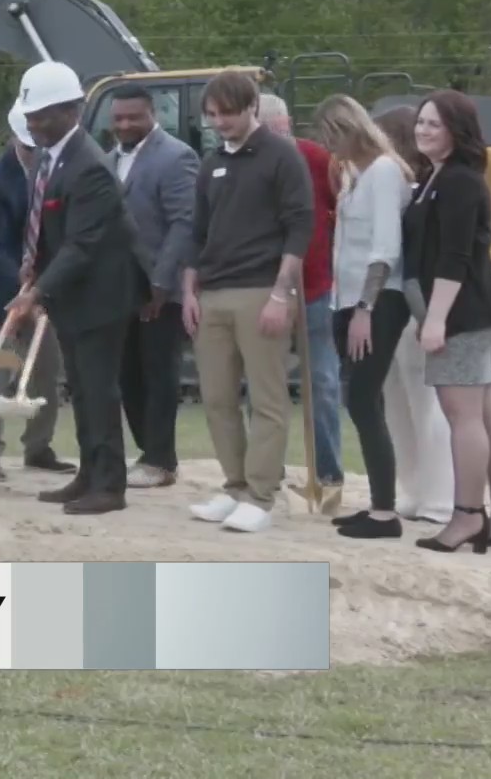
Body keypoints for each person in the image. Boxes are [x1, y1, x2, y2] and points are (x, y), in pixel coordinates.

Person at [6, 63, 148, 514]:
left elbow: (83, 244)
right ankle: (88, 473)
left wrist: (35, 292)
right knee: (82, 390)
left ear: (71, 111)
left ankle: (110, 485)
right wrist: (33, 271)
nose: (32, 123)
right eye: (28, 115)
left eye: (41, 114)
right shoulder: (50, 159)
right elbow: (51, 232)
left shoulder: (90, 167)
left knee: (100, 389)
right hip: (71, 297)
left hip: (101, 297)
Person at [183, 70, 315, 534]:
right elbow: (196, 232)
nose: (219, 122)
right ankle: (235, 486)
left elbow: (300, 226)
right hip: (212, 292)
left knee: (267, 399)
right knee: (217, 397)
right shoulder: (211, 162)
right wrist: (189, 291)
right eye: (213, 114)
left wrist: (282, 293)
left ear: (251, 106)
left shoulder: (283, 156)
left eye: (227, 113)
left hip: (263, 289)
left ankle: (261, 496)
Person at [316, 95, 414, 539]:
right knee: (363, 401)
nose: (327, 145)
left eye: (330, 134)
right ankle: (379, 504)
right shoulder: (356, 176)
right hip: (347, 300)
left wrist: (365, 310)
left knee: (361, 399)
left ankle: (385, 514)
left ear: (349, 128)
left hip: (375, 301)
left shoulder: (384, 172)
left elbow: (385, 249)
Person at [403, 90, 491, 553]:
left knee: (463, 416)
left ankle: (467, 517)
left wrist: (435, 318)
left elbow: (455, 256)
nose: (422, 130)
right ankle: (485, 516)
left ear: (456, 131)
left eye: (434, 124)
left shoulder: (459, 180)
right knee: (482, 413)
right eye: (421, 122)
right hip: (461, 311)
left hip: (463, 312)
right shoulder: (432, 177)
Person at [0, 102, 70, 479]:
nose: (33, 151)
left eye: (37, 145)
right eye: (26, 145)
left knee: (47, 371)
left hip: (41, 288)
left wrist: (41, 288)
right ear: (12, 137)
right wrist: (23, 288)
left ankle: (39, 448)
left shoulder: (53, 168)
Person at [108, 85, 200, 488]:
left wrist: (160, 284)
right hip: (118, 288)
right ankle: (148, 453)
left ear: (152, 114)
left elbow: (184, 224)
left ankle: (162, 458)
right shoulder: (108, 159)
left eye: (134, 117)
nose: (126, 124)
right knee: (127, 374)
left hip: (161, 289)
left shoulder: (177, 156)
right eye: (119, 118)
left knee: (159, 374)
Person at [372, 105, 455, 524]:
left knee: (429, 403)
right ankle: (414, 488)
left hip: (421, 304)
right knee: (398, 402)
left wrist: (431, 313)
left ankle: (442, 496)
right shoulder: (401, 186)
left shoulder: (430, 189)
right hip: (393, 304)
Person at [260, 93, 344, 509]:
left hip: (315, 288)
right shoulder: (250, 163)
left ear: (288, 124)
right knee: (263, 383)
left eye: (280, 128)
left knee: (324, 383)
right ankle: (266, 472)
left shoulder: (316, 158)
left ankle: (328, 474)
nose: (276, 138)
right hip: (267, 290)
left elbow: (342, 212)